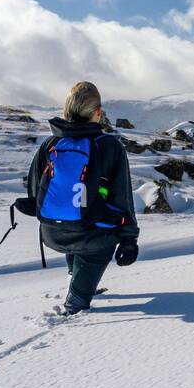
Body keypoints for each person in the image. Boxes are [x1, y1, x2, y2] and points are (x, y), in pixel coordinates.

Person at [24, 81, 139, 314]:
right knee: (78, 303)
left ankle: (76, 277)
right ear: (98, 112)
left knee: (77, 220)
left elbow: (36, 191)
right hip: (93, 237)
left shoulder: (52, 143)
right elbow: (122, 198)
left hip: (53, 231)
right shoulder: (110, 146)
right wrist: (129, 239)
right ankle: (73, 307)